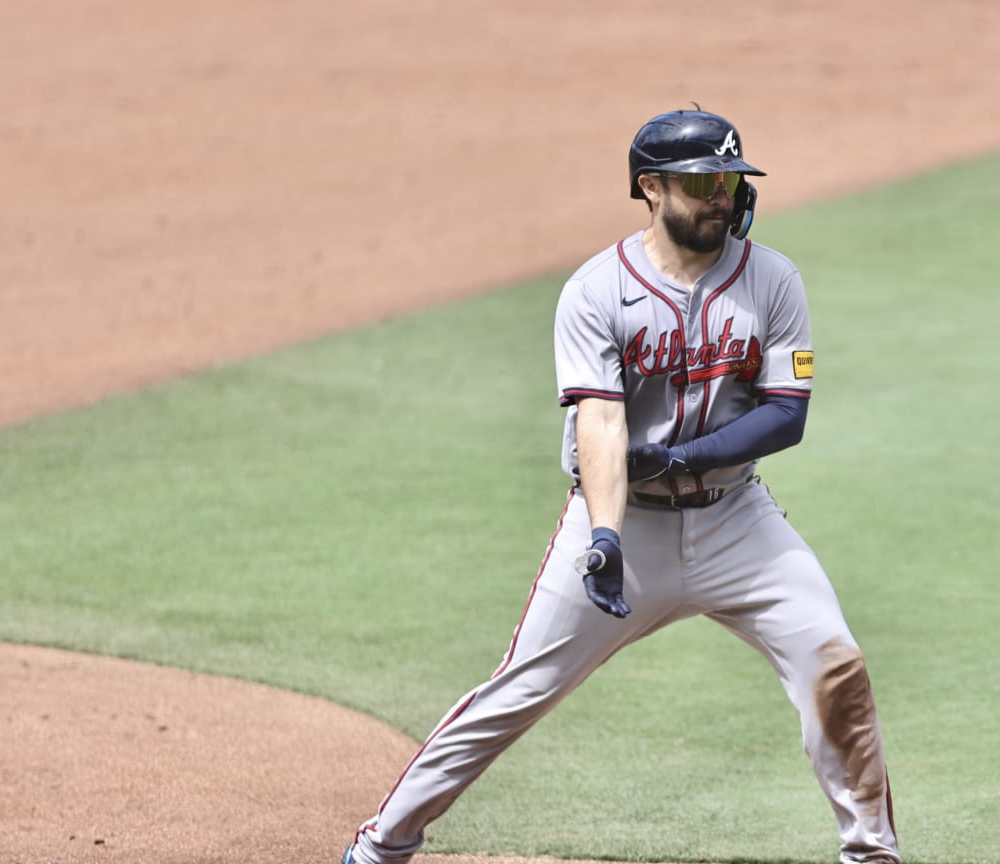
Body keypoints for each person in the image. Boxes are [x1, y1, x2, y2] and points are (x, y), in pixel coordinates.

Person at [343, 108, 900, 864]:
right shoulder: (597, 290)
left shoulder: (773, 279)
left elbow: (785, 415)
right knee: (517, 693)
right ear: (650, 188)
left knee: (836, 666)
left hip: (738, 523)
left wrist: (679, 457)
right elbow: (599, 423)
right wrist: (604, 535)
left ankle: (873, 855)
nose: (721, 197)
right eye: (702, 182)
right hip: (625, 524)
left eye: (729, 180)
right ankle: (381, 847)